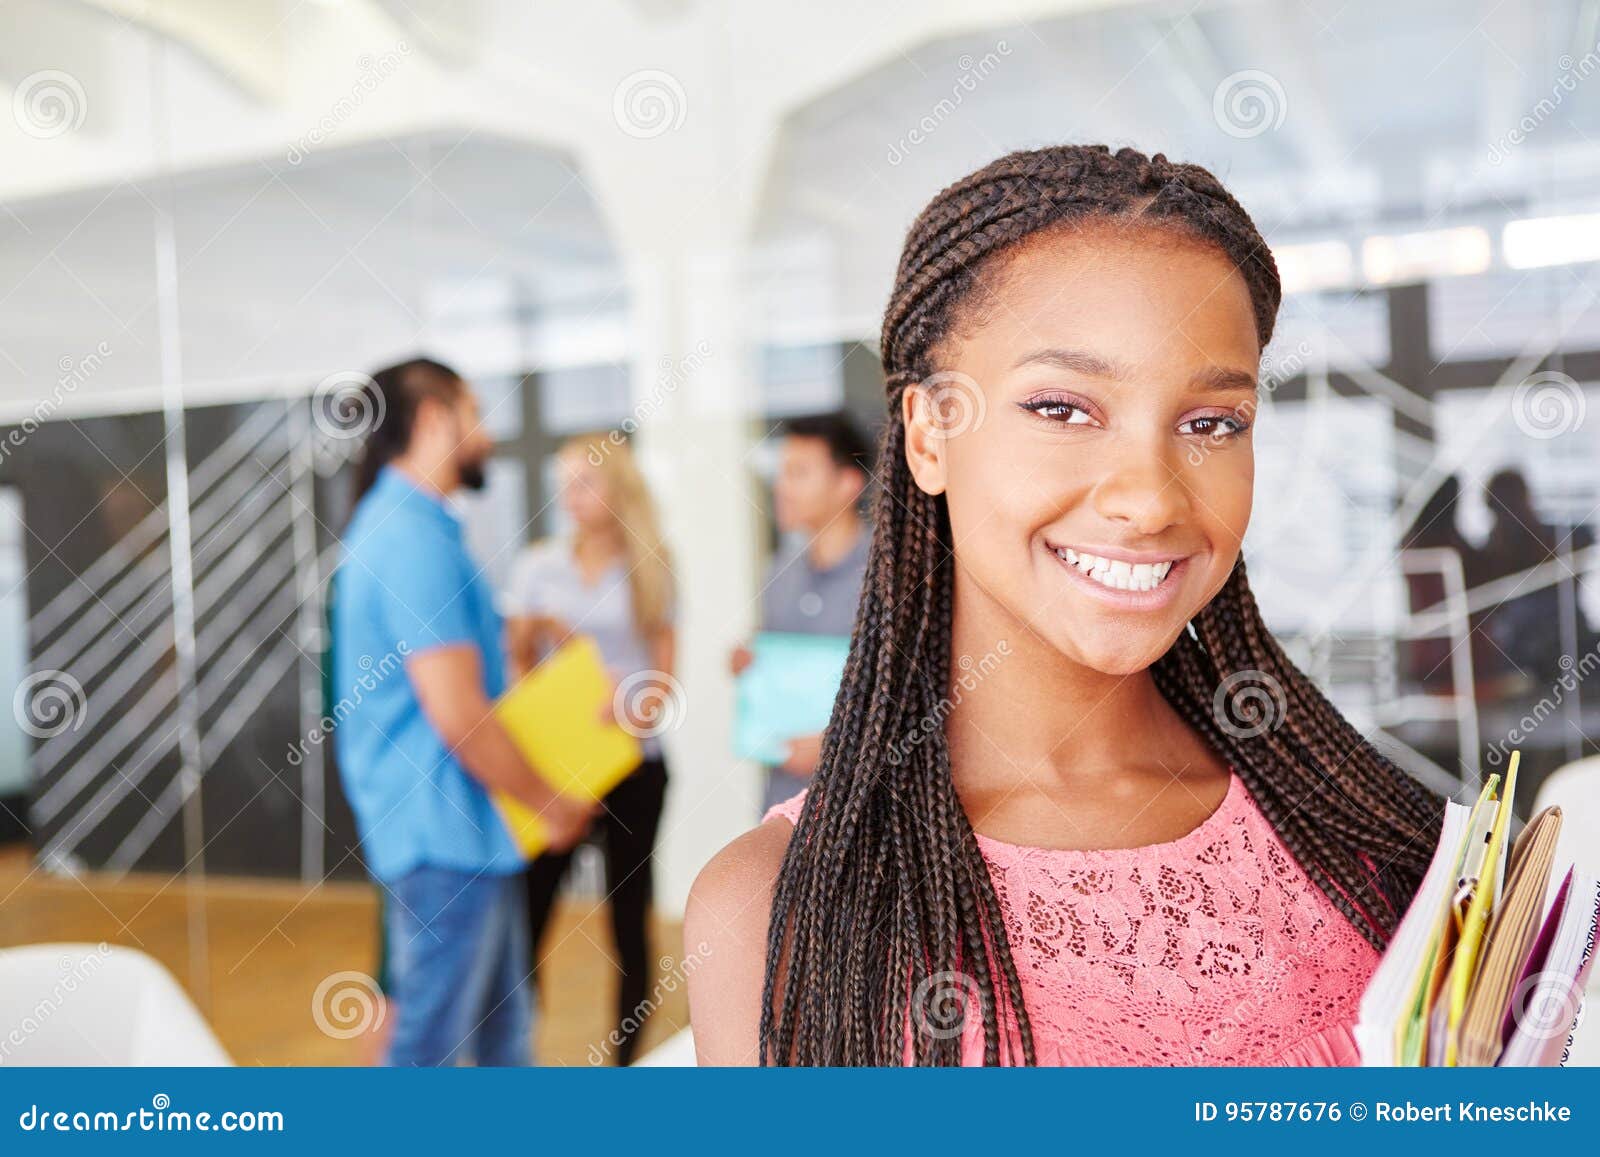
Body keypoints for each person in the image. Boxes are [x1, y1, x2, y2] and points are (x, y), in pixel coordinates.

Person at [685, 145, 1446, 1066]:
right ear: (929, 435)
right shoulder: (781, 911)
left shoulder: (1360, 834)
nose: (1152, 497)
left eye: (1212, 423)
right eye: (1063, 407)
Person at [332, 357, 591, 1067]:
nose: (485, 434)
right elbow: (458, 711)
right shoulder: (409, 537)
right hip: (444, 841)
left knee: (501, 1044)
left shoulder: (418, 528)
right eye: (472, 413)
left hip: (470, 837)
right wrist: (550, 800)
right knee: (432, 1053)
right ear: (435, 420)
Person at [505, 433, 677, 1066]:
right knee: (526, 916)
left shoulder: (653, 565)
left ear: (618, 489)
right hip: (555, 771)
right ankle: (514, 1051)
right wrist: (535, 642)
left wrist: (625, 705)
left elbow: (660, 686)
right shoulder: (535, 567)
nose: (570, 497)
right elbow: (518, 670)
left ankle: (623, 1064)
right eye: (565, 483)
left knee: (627, 923)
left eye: (585, 482)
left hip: (632, 768)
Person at [732, 413, 873, 814]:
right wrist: (750, 665)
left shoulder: (889, 579)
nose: (782, 487)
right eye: (781, 472)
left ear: (847, 484)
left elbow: (913, 693)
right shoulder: (777, 571)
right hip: (783, 799)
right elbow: (773, 660)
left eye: (798, 473)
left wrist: (836, 746)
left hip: (859, 806)